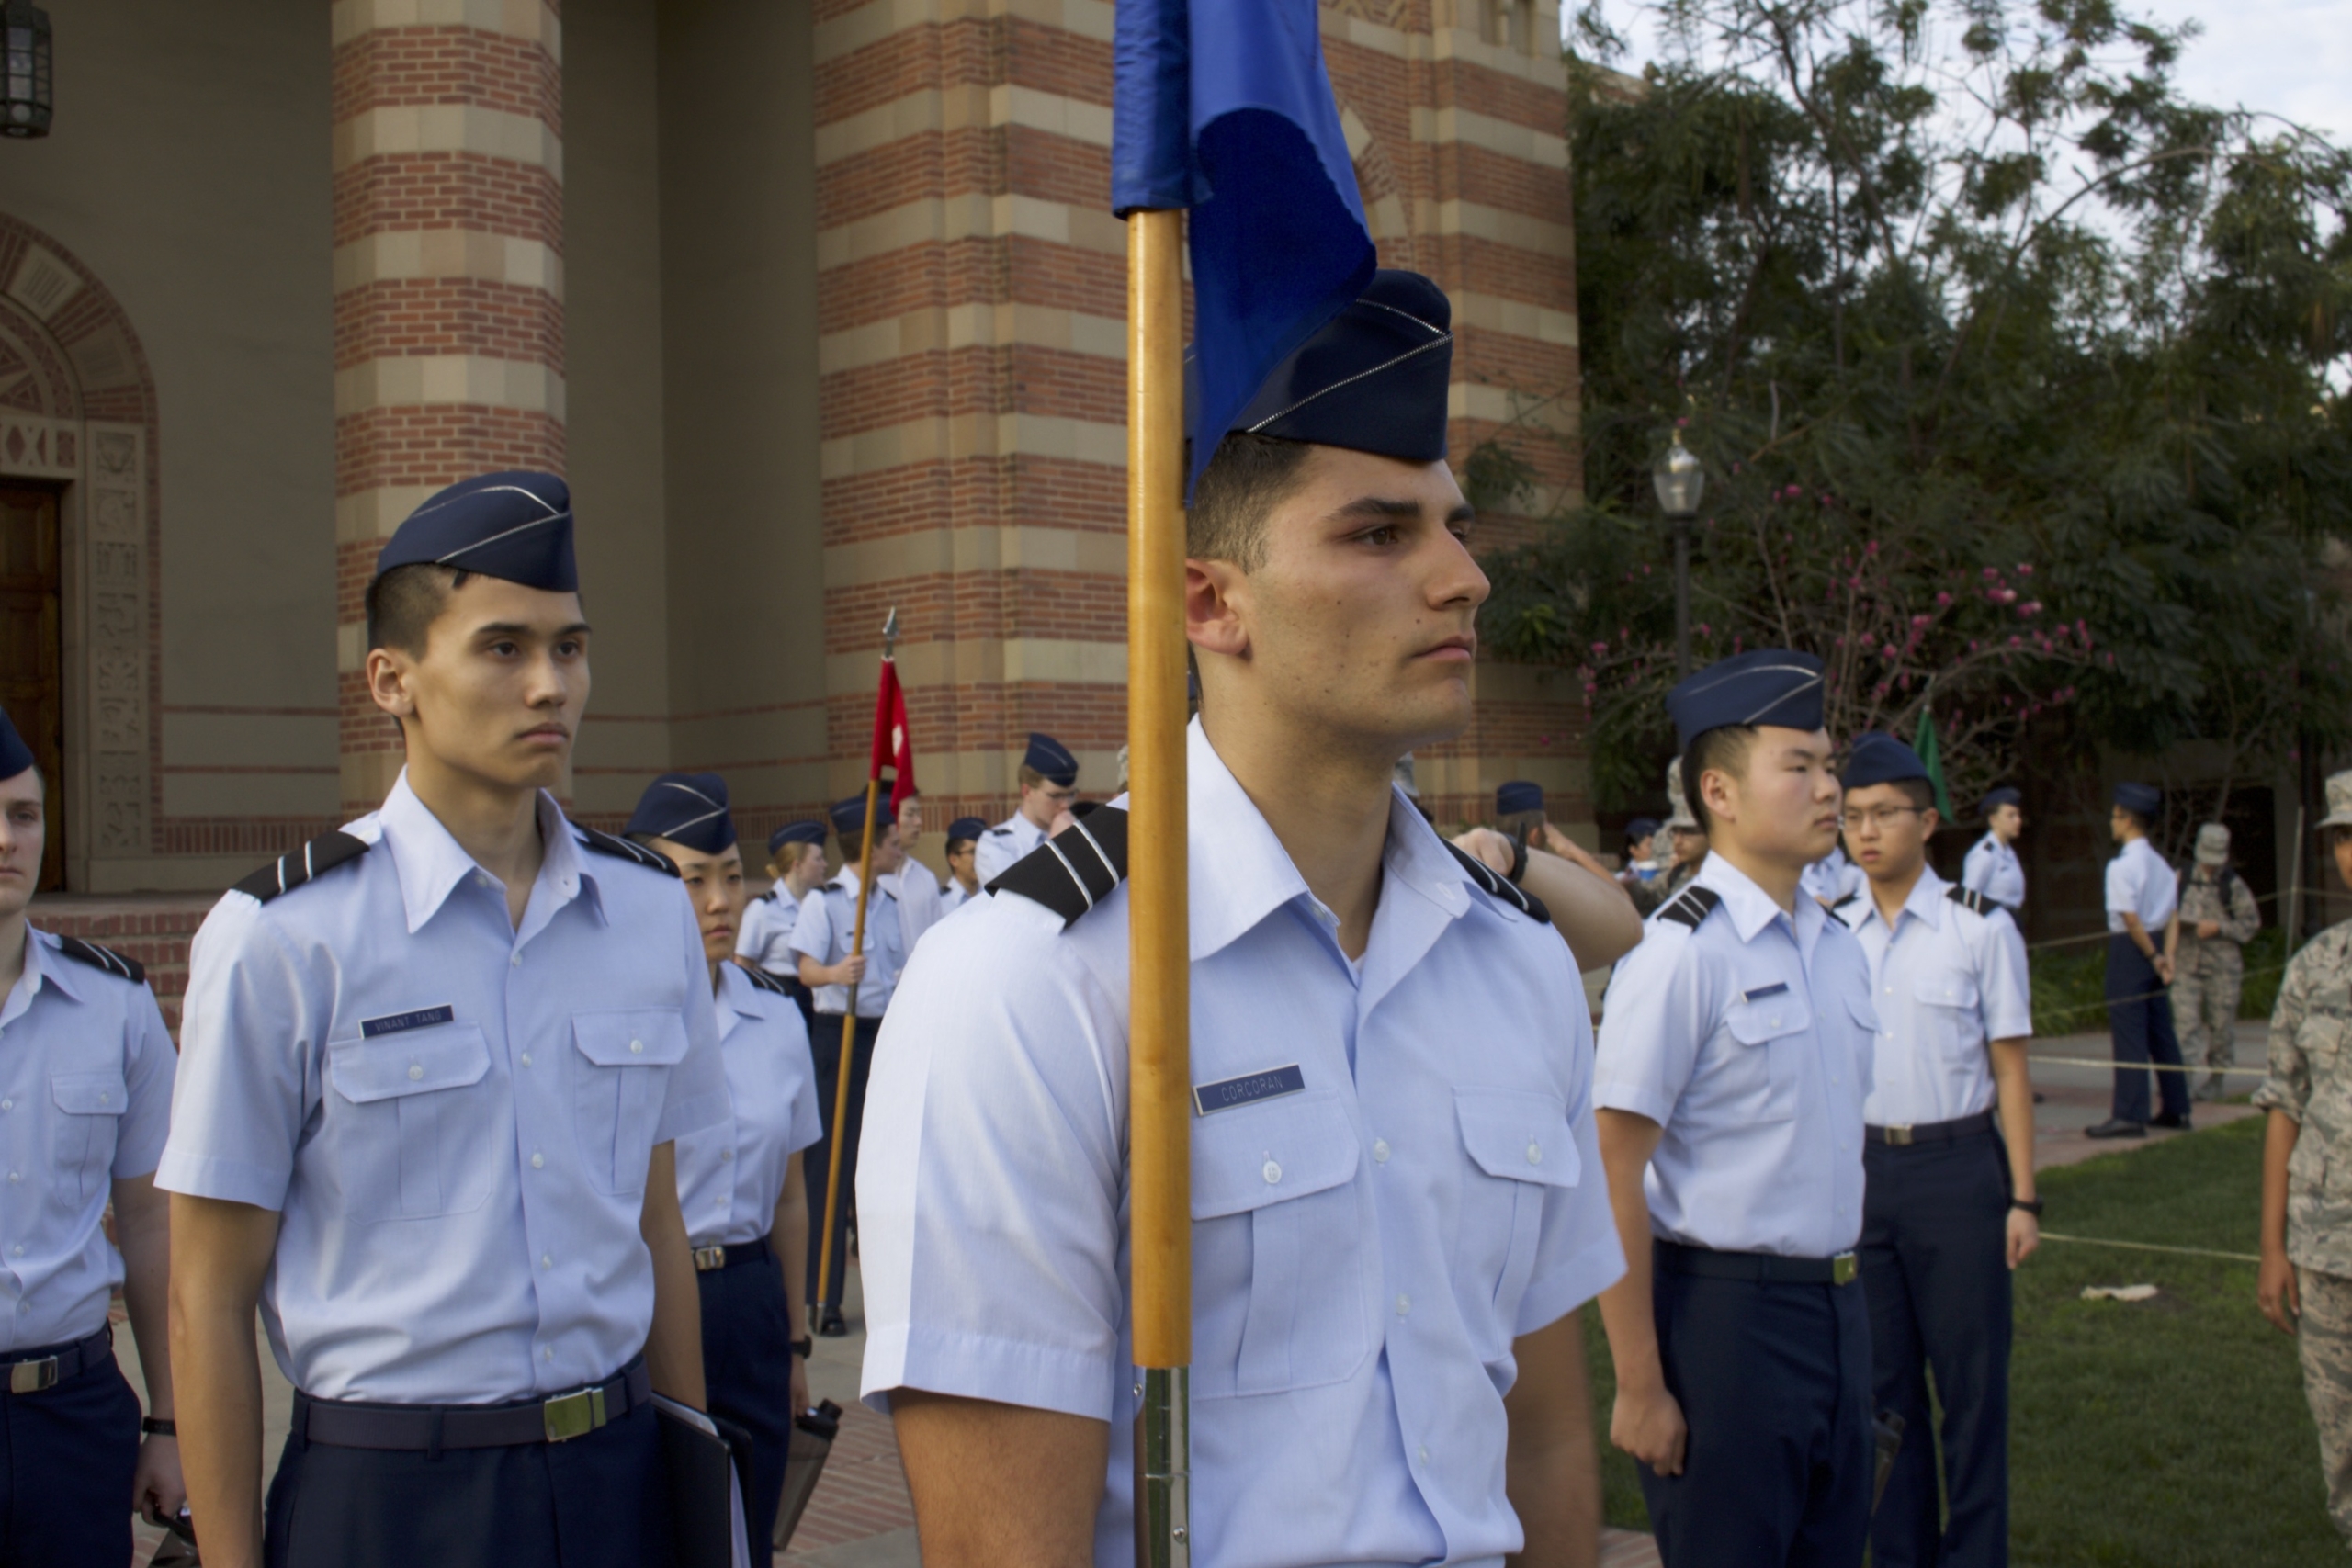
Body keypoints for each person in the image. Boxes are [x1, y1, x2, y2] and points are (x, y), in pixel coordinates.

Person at [857, 268, 1624, 1567]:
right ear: (1211, 602)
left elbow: (1543, 1431)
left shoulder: (1514, 963)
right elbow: (1002, 1544)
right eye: (1380, 533)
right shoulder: (1031, 981)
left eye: (1455, 524)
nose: (1464, 578)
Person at [162, 471, 728, 1568]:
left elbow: (657, 1227)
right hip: (390, 1500)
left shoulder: (647, 912)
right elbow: (205, 1294)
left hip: (617, 1476)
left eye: (569, 649)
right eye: (503, 648)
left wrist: (697, 1494)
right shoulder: (284, 935)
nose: (549, 687)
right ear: (393, 680)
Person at [1592, 648, 1879, 1568]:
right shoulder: (1680, 956)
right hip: (1725, 1326)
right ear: (1717, 790)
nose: (1828, 787)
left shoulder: (1836, 945)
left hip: (1839, 1307)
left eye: (1828, 764)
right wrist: (1639, 1383)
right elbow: (1612, 1169)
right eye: (1798, 766)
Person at [1837, 732, 2040, 1568]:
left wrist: (2023, 1196)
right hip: (1863, 1176)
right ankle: (1904, 1552)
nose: (1866, 832)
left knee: (1971, 1388)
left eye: (1884, 814)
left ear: (1928, 821)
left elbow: (2010, 1065)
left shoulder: (1978, 929)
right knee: (1883, 1395)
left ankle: (1978, 1554)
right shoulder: (1831, 932)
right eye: (1852, 817)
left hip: (1958, 1171)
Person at [0, 707, 183, 1563]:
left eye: (24, 815)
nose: (8, 839)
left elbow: (155, 1225)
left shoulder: (113, 1006)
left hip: (69, 1417)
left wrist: (171, 1422)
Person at [626, 772, 821, 1540]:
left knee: (755, 1516)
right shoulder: (620, 1022)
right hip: (644, 1300)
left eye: (732, 876)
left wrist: (795, 1340)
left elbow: (790, 1197)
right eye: (693, 879)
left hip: (747, 1299)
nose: (719, 900)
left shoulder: (774, 1018)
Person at [2256, 769, 2352, 1545]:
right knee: (2343, 1440)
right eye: (2344, 838)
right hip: (2327, 1249)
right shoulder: (2314, 968)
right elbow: (2284, 1108)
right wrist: (2272, 1249)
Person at [792, 794, 914, 1337]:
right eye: (890, 838)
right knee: (831, 1171)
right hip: (836, 1037)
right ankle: (824, 1296)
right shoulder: (826, 902)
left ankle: (887, 1297)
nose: (897, 846)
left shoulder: (889, 901)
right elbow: (805, 970)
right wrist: (836, 973)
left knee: (882, 1168)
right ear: (869, 845)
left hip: (880, 1036)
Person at [2087, 781, 2190, 1138]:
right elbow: (2173, 915)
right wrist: (2167, 957)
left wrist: (2149, 954)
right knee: (2161, 1031)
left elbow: (2129, 918)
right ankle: (2177, 1108)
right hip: (2159, 940)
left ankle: (2130, 1113)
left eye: (2116, 817)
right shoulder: (2161, 865)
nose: (2112, 823)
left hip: (2132, 948)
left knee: (2129, 1030)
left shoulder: (2121, 867)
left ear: (2128, 821)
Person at [2173, 822, 2261, 1102]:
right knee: (2185, 1026)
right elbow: (2164, 914)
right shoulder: (2182, 879)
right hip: (2187, 965)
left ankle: (2216, 1080)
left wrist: (2220, 928)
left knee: (2221, 1026)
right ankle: (2183, 1082)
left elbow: (2250, 924)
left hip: (2222, 969)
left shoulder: (2231, 886)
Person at [738, 819, 830, 1040]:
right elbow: (742, 966)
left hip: (817, 1001)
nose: (825, 864)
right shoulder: (763, 910)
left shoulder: (820, 904)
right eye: (817, 858)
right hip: (781, 995)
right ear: (796, 865)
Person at [971, 734, 1080, 886]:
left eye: (1070, 795)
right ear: (1027, 792)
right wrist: (1055, 846)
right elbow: (1017, 899)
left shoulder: (1077, 834)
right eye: (1055, 796)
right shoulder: (996, 843)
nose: (1065, 805)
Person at [1962, 787, 2028, 914]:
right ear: (1993, 820)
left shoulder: (2009, 853)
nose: (2018, 821)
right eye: (2011, 815)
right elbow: (1968, 898)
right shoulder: (1984, 854)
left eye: (2018, 815)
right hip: (1991, 921)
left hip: (2010, 918)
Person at [939, 817, 986, 911]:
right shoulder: (942, 903)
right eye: (973, 852)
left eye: (983, 851)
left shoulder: (989, 897)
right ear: (954, 860)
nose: (981, 857)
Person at [1618, 817, 1661, 891]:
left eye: (1658, 844)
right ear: (1633, 849)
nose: (1656, 849)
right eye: (1650, 845)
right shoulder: (1621, 879)